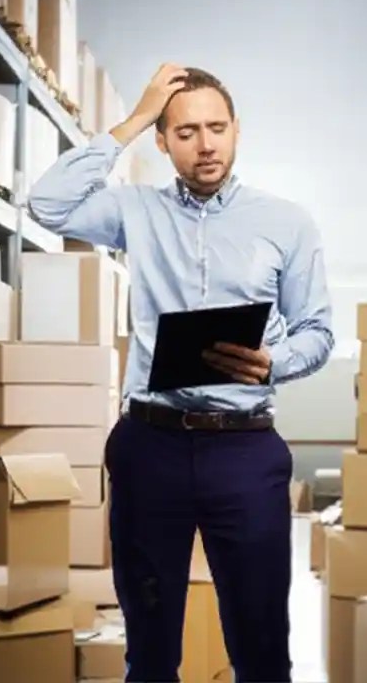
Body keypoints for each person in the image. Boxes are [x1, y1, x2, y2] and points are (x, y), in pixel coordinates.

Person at [29, 64, 334, 683]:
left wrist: (275, 362)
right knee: (149, 649)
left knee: (262, 649)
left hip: (244, 449)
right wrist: (133, 120)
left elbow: (318, 331)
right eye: (186, 132)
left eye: (217, 128)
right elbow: (47, 203)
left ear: (237, 130)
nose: (206, 144)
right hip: (151, 447)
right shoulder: (133, 210)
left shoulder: (287, 222)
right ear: (163, 142)